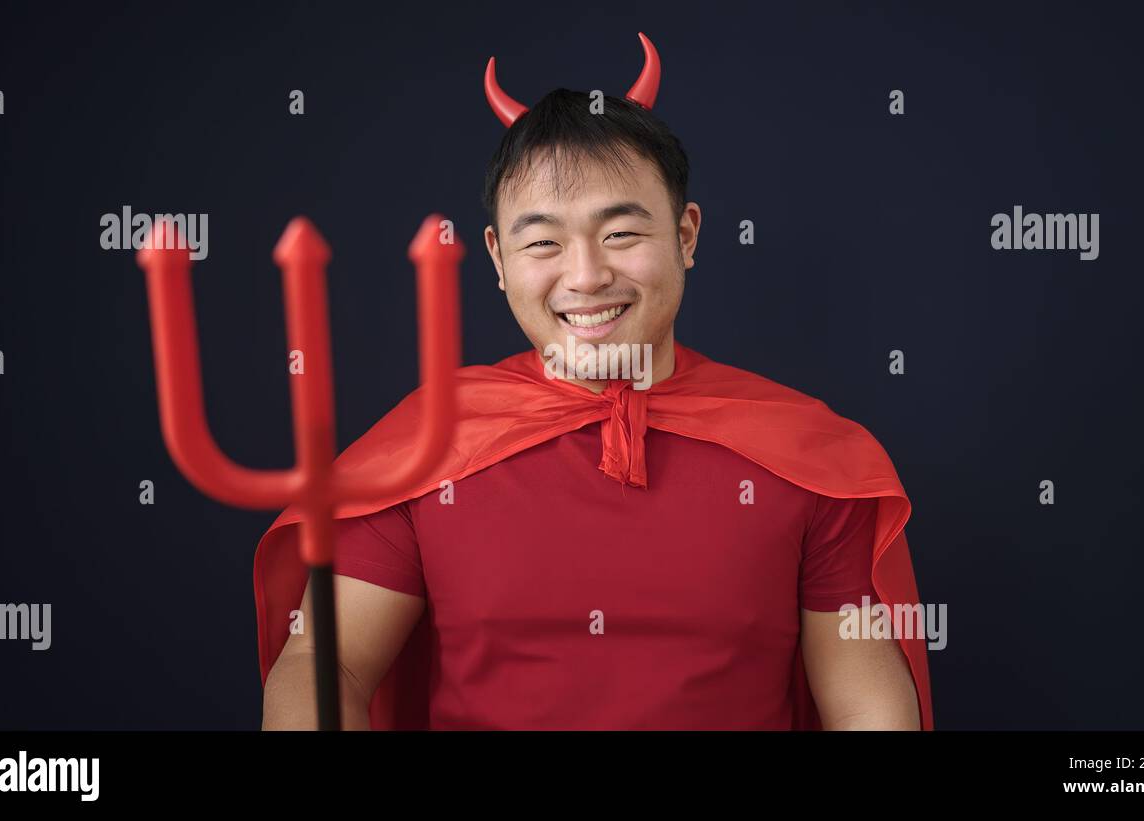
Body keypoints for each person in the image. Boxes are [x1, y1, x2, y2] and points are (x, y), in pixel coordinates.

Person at [257, 34, 932, 730]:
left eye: (620, 234)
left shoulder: (809, 453)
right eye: (543, 241)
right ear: (496, 256)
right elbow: (323, 664)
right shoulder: (424, 447)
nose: (584, 276)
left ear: (687, 234)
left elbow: (865, 703)